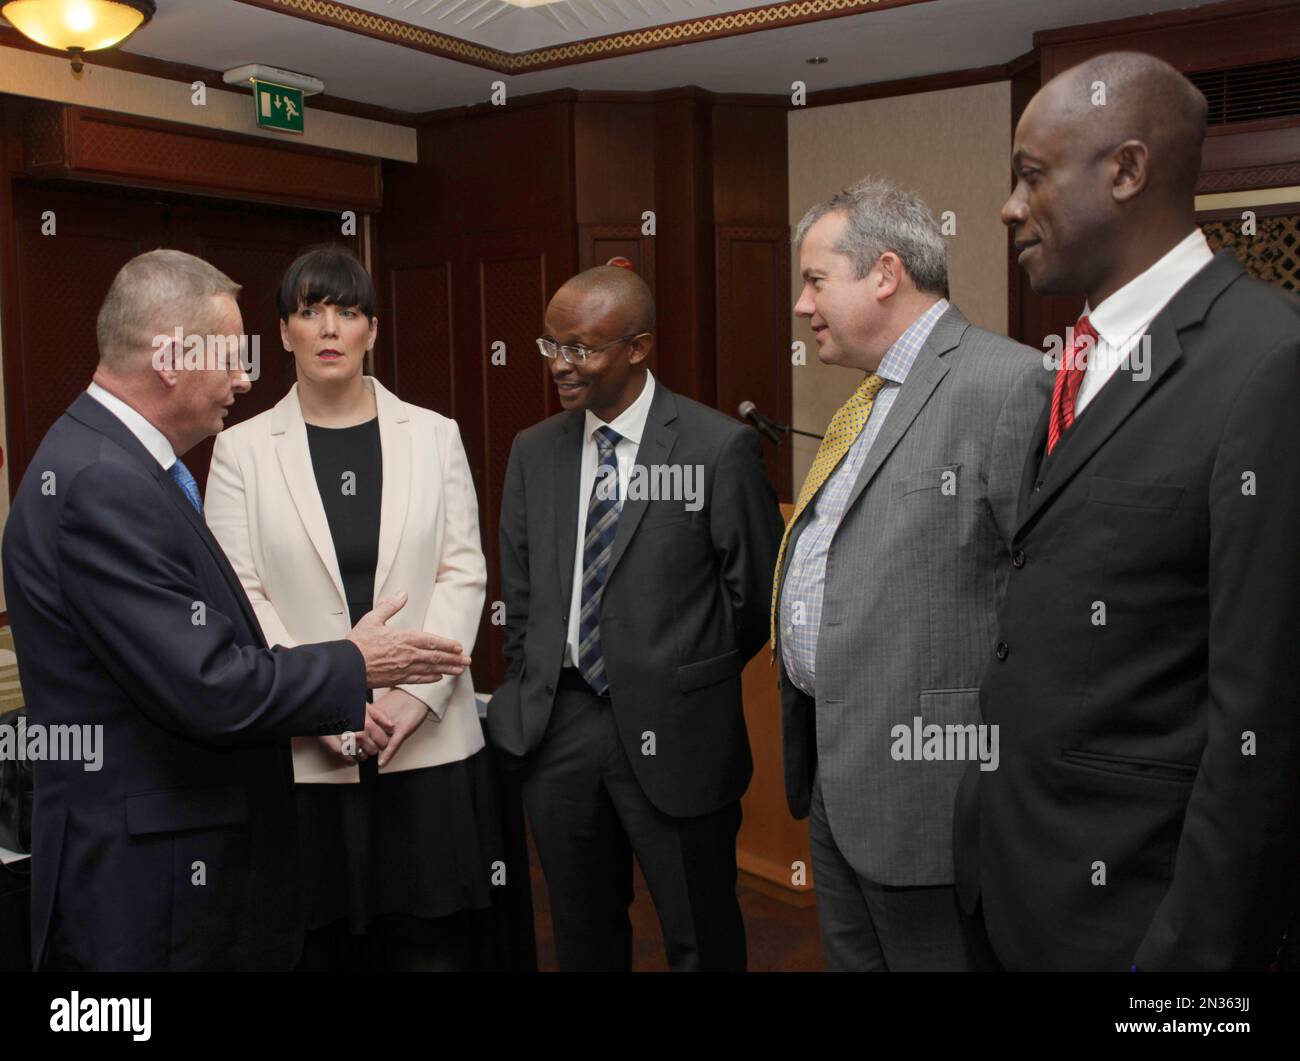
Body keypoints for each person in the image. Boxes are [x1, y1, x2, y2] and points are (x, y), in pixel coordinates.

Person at [1, 249, 469, 971]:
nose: (245, 378)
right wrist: (355, 663)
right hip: (149, 885)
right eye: (230, 356)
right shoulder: (105, 484)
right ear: (170, 356)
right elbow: (208, 686)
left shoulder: (115, 462)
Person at [954, 51, 1300, 971]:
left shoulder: (1270, 363)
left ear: (1127, 169)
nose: (1008, 206)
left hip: (1135, 928)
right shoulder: (1073, 355)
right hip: (1011, 886)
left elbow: (1263, 720)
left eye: (1030, 176)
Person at [773, 178, 1048, 971]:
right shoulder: (865, 401)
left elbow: (1042, 598)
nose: (802, 304)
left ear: (885, 273)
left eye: (816, 279)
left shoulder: (1006, 382)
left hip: (930, 787)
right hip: (837, 773)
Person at [206, 246, 501, 971]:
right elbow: (241, 593)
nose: (328, 327)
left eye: (347, 311)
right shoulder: (240, 450)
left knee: (431, 946)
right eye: (309, 311)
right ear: (282, 333)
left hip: (425, 739)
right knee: (317, 947)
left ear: (373, 328)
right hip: (306, 752)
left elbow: (462, 571)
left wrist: (415, 695)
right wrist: (328, 695)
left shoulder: (434, 435)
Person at [488, 265, 783, 971]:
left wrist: (677, 673)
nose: (560, 364)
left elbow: (754, 601)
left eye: (581, 348)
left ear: (638, 347)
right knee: (583, 934)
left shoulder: (717, 448)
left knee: (699, 936)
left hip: (678, 731)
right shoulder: (535, 450)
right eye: (549, 345)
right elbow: (522, 596)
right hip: (558, 727)